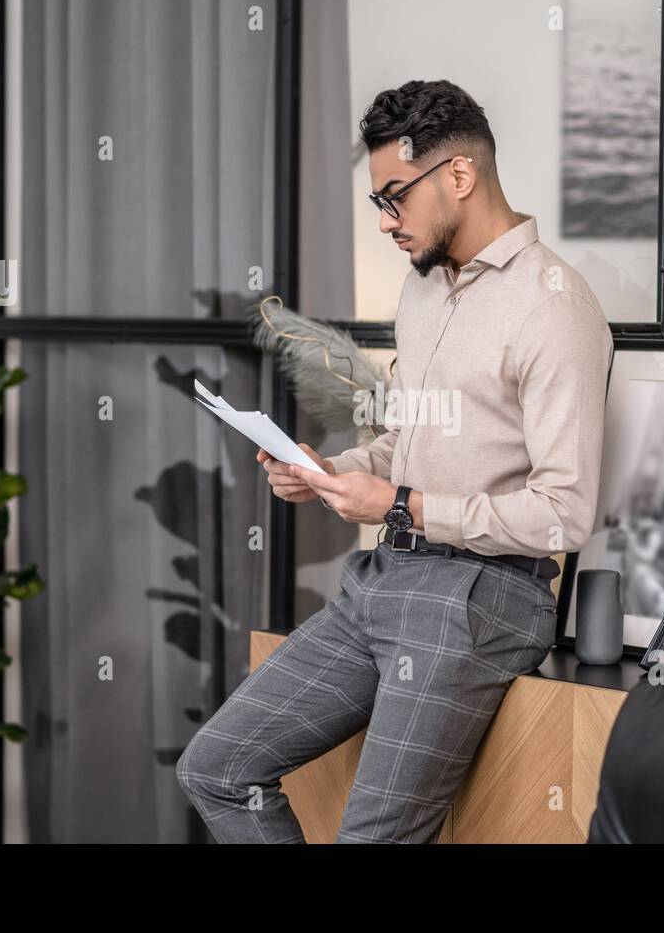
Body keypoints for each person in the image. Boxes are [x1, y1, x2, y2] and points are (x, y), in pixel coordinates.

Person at [176, 79, 613, 843]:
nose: (384, 222)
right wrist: (329, 470)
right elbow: (402, 437)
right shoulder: (425, 292)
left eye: (393, 198)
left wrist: (403, 505)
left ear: (459, 176)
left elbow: (565, 512)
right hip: (384, 578)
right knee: (217, 765)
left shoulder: (555, 309)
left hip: (482, 598)